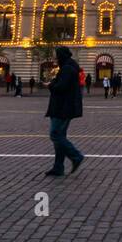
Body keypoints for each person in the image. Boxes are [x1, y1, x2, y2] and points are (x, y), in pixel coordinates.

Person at [45, 46, 85, 177]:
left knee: (55, 135)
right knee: (60, 137)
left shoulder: (67, 68)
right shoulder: (69, 67)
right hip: (63, 107)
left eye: (56, 55)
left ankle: (76, 156)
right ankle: (58, 167)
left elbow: (61, 87)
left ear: (61, 56)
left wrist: (50, 85)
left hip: (62, 108)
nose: (55, 58)